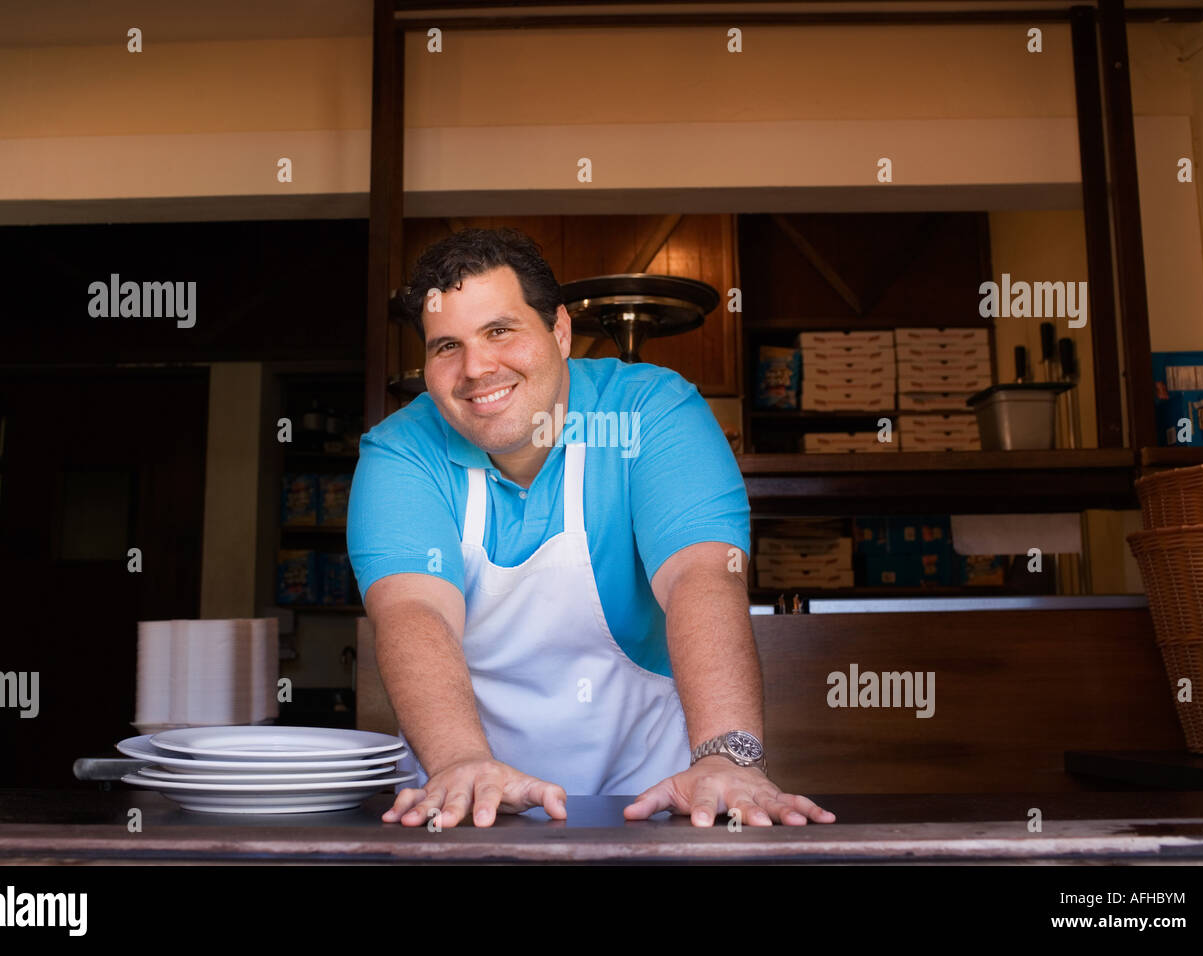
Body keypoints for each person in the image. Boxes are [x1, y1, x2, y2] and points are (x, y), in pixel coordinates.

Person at [347, 227, 836, 829]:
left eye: (499, 331)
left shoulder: (649, 411)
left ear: (558, 329)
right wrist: (461, 761)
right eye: (447, 345)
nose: (476, 367)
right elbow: (412, 611)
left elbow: (699, 576)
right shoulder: (401, 450)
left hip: (656, 805)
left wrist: (728, 757)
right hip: (465, 811)